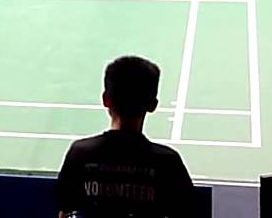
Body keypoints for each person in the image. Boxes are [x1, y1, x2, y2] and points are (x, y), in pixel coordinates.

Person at [55, 56, 194, 217]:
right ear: (153, 105)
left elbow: (64, 212)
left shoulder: (79, 154)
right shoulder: (168, 162)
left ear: (106, 99)